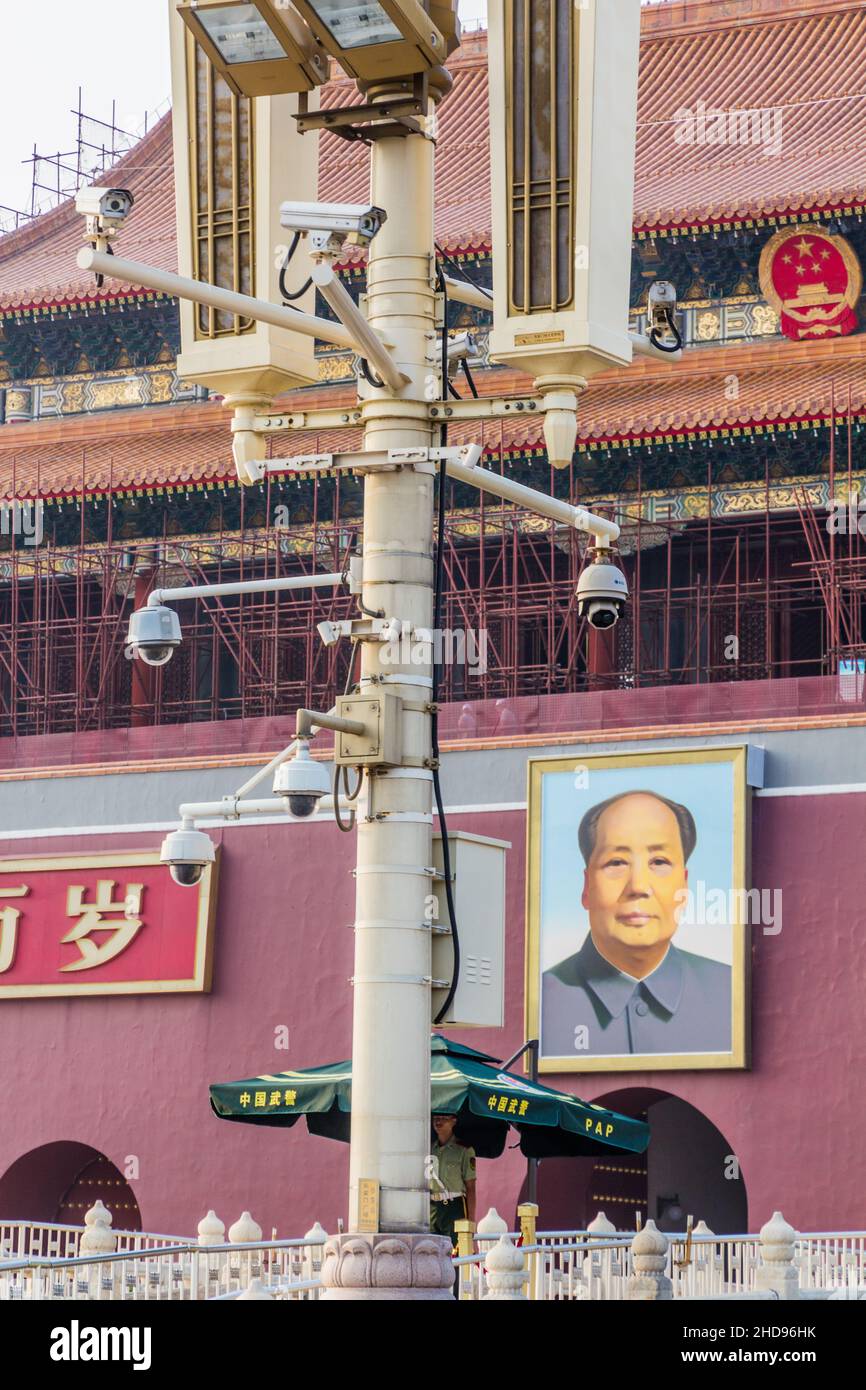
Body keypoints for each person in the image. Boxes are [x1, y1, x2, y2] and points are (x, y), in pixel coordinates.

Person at [542, 790, 731, 1057]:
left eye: (659, 862)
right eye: (617, 862)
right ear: (587, 887)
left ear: (684, 885)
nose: (639, 887)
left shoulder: (730, 995)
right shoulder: (543, 1000)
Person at [429, 1113, 477, 1252]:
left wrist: (471, 1223)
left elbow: (471, 1187)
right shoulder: (429, 1149)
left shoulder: (464, 1150)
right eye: (436, 1118)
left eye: (444, 1118)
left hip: (454, 1207)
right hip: (432, 1208)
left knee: (456, 1251)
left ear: (454, 1120)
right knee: (431, 1252)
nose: (438, 1121)